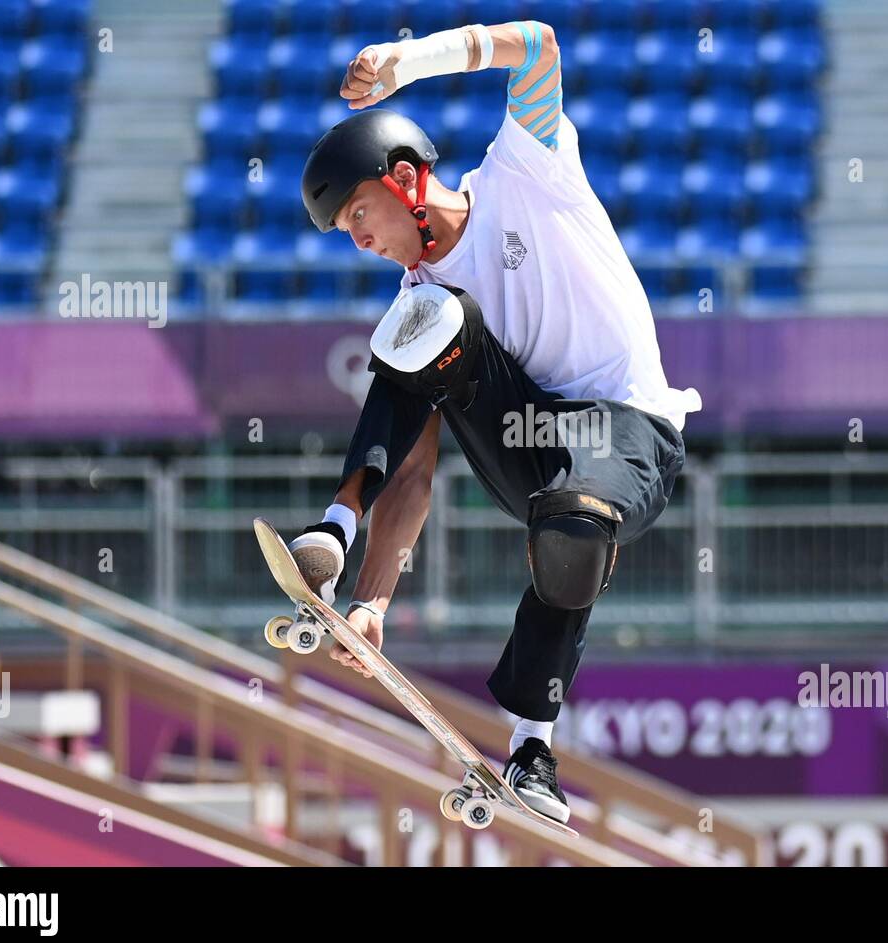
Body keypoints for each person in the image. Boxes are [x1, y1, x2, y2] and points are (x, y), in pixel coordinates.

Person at [286, 20, 702, 823]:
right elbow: (414, 467)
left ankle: (532, 745)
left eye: (361, 214)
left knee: (574, 522)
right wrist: (370, 605)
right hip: (530, 444)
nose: (361, 240)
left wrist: (410, 63)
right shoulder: (420, 295)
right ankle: (336, 525)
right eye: (346, 233)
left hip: (627, 432)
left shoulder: (524, 169)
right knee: (422, 322)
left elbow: (540, 45)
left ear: (406, 179)